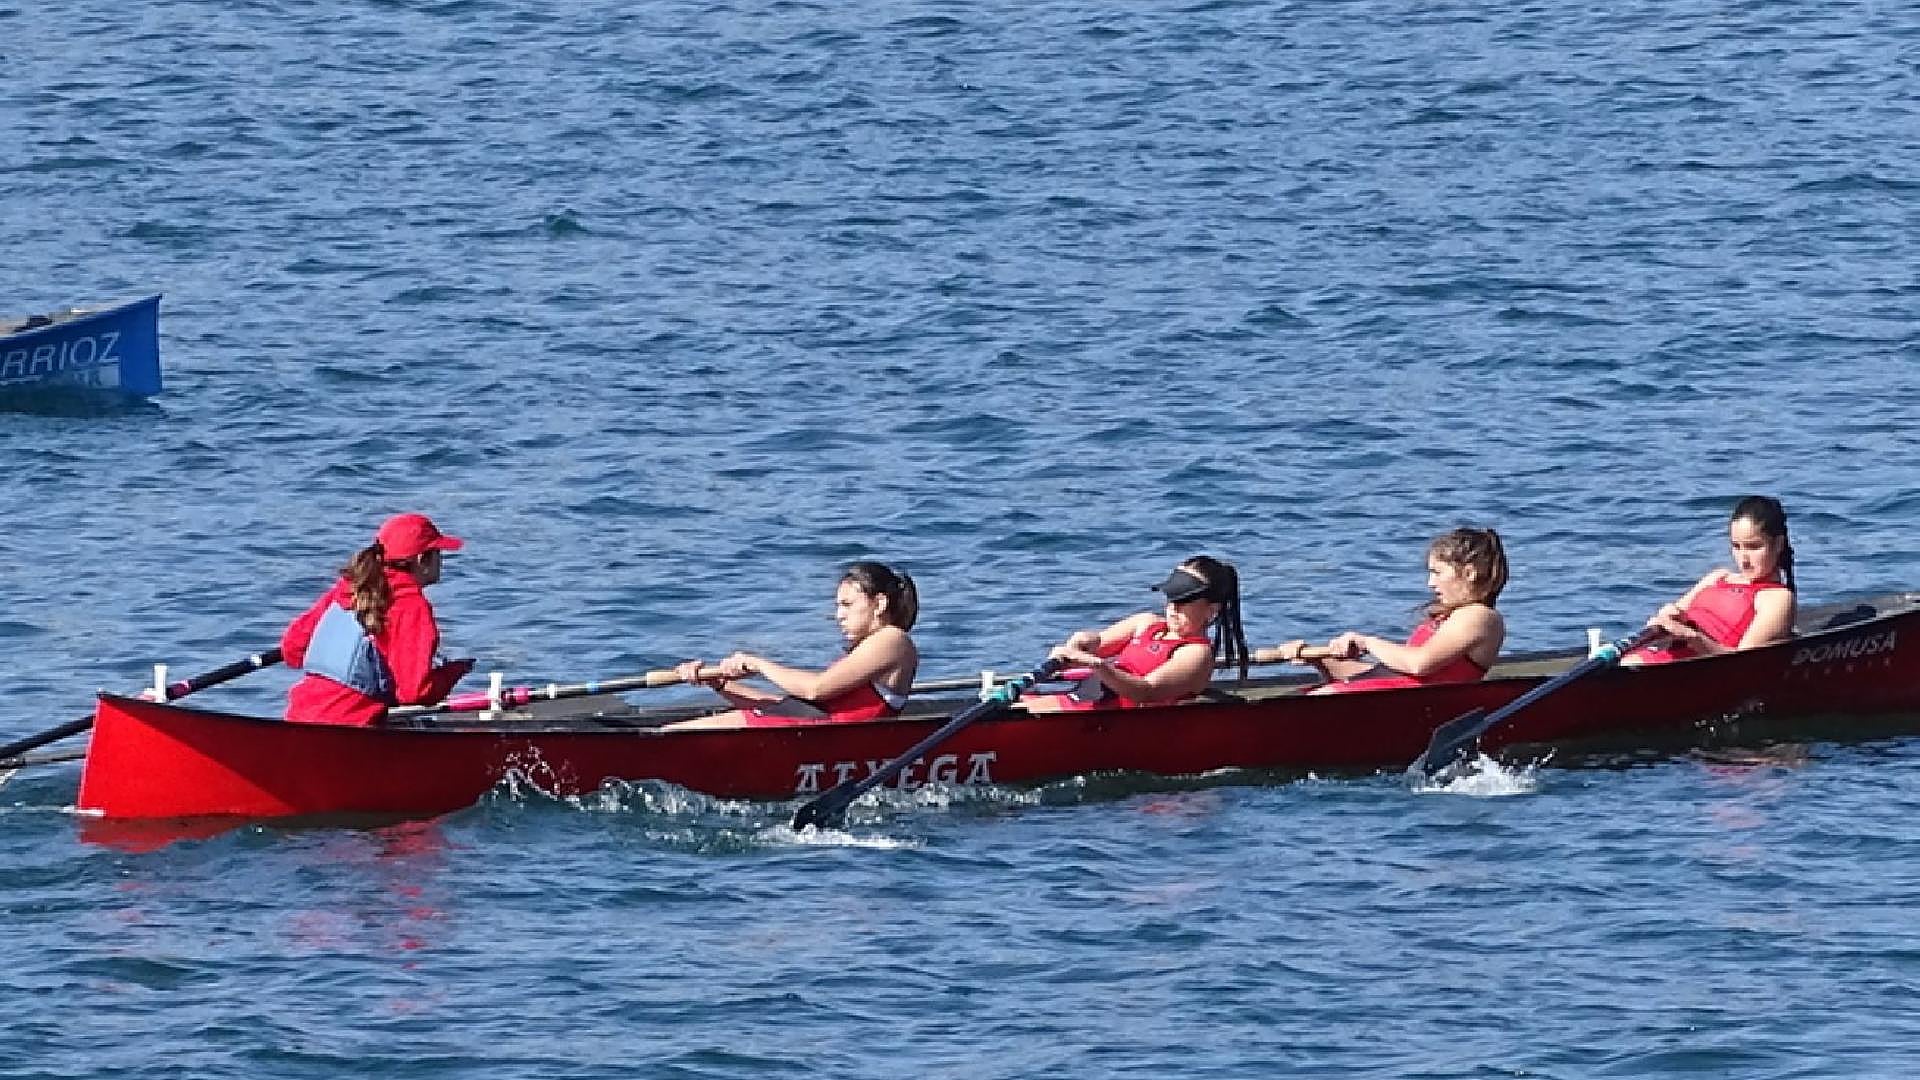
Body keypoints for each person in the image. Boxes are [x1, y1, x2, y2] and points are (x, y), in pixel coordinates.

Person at [668, 561, 920, 729]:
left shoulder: (893, 640)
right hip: (807, 732)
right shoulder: (867, 651)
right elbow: (791, 708)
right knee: (670, 731)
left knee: (670, 734)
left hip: (824, 741)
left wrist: (757, 664)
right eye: (837, 606)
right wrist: (719, 684)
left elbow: (814, 690)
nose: (838, 615)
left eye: (847, 604)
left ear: (880, 604)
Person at [280, 513, 474, 726]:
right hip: (352, 725)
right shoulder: (410, 605)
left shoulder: (348, 588)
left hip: (299, 715)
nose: (441, 560)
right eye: (438, 552)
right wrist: (453, 672)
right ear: (421, 560)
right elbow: (416, 692)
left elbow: (292, 650)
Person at [1277, 527, 1508, 693]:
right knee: (1301, 694)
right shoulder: (1449, 618)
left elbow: (1419, 664)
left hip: (1420, 704)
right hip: (1398, 697)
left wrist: (1367, 642)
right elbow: (1385, 674)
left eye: (1437, 572)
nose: (1430, 583)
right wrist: (1319, 660)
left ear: (1469, 573)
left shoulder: (1480, 616)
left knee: (1321, 696)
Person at [1024, 555, 1250, 712]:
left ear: (1211, 610)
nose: (1173, 607)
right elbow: (1095, 645)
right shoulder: (1146, 623)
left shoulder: (1196, 654)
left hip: (1119, 723)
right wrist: (1083, 643)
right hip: (1089, 703)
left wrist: (1096, 664)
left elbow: (1145, 691)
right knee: (1020, 703)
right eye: (1171, 597)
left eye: (1184, 600)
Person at [1624, 495, 1796, 665]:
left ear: (1778, 544)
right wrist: (1668, 616)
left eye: (1753, 547)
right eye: (1736, 546)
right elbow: (1677, 611)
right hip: (1655, 654)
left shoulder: (1777, 597)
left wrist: (1693, 638)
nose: (1743, 559)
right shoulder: (1718, 577)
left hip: (1692, 667)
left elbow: (1741, 663)